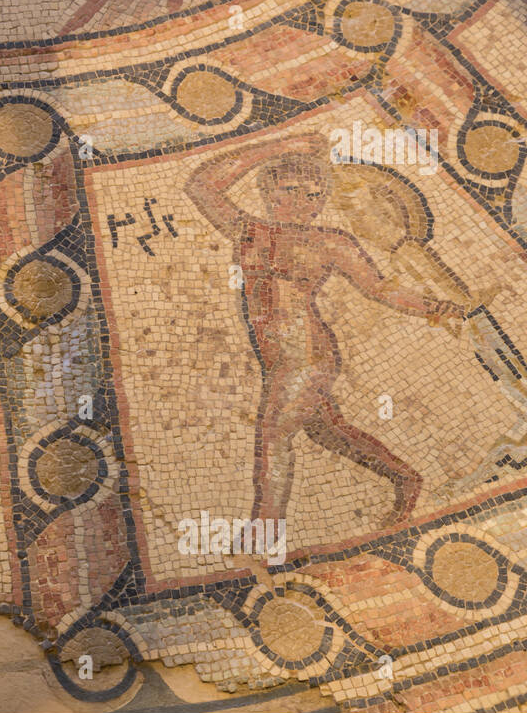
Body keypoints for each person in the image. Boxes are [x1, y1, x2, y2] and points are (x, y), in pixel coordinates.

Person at [186, 135, 466, 527]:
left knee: (274, 435)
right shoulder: (248, 230)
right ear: (268, 191)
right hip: (275, 356)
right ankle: (405, 478)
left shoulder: (330, 242)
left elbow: (379, 287)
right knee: (328, 431)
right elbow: (201, 185)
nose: (304, 202)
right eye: (292, 190)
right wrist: (280, 147)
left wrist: (433, 308)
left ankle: (264, 537)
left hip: (307, 354)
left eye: (315, 195)